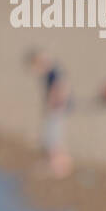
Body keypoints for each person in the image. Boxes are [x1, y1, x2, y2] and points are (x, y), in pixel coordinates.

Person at [25, 47, 72, 178]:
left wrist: (53, 103)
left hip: (56, 108)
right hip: (56, 107)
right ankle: (58, 164)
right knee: (53, 137)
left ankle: (60, 166)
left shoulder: (54, 72)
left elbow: (60, 88)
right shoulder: (53, 71)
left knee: (53, 138)